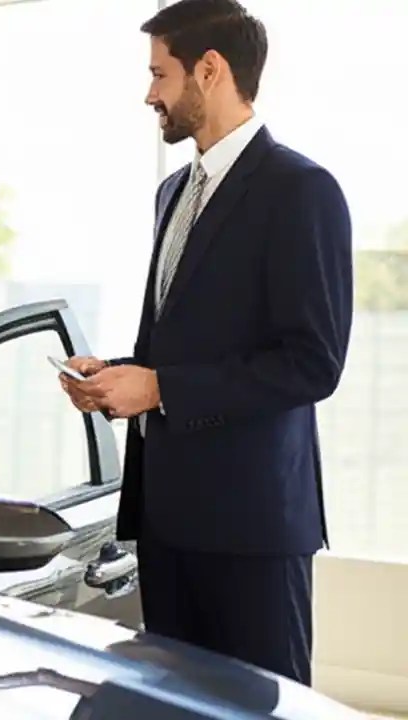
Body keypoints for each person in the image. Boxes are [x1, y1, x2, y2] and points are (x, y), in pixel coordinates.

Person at [58, 0, 352, 686]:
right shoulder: (171, 192)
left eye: (160, 74)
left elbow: (313, 362)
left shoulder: (302, 191)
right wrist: (120, 376)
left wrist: (159, 388)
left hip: (252, 534)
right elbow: (183, 344)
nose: (149, 94)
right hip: (167, 527)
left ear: (210, 70)